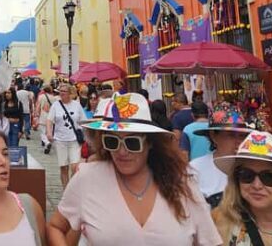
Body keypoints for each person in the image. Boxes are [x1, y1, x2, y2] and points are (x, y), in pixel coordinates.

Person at [48, 93, 220, 245]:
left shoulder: (182, 181)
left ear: (150, 142)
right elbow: (55, 226)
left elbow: (210, 240)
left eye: (132, 142)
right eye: (112, 142)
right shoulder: (87, 177)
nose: (122, 152)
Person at [189, 103, 254, 208]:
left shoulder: (254, 166)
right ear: (214, 136)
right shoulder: (195, 169)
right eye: (231, 135)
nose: (239, 142)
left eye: (242, 136)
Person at [46, 84, 85, 188]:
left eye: (64, 91)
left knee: (74, 167)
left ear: (70, 93)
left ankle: (71, 188)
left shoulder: (77, 105)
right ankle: (65, 190)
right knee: (63, 167)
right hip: (60, 140)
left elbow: (83, 120)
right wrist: (49, 133)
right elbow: (49, 120)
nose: (61, 93)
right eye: (60, 91)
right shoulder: (56, 105)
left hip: (74, 140)